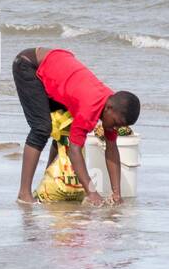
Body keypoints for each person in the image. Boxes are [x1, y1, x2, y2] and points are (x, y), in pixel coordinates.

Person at [12, 47, 139, 206]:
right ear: (109, 109)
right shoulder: (90, 107)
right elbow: (74, 150)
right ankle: (24, 194)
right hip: (29, 65)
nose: (115, 129)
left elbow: (111, 147)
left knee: (63, 127)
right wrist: (92, 192)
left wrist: (117, 193)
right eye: (116, 124)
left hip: (59, 71)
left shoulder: (112, 107)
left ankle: (49, 178)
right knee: (42, 128)